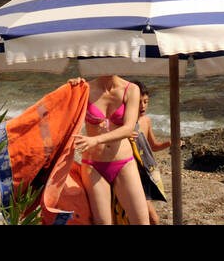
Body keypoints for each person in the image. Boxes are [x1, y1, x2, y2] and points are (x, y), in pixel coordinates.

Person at [71, 74, 149, 225]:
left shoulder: (131, 89)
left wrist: (95, 139)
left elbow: (128, 129)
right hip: (93, 166)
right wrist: (71, 88)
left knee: (141, 221)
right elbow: (63, 113)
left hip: (124, 163)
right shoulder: (84, 89)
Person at [134, 81, 170, 225]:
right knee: (153, 219)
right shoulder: (124, 124)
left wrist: (169, 143)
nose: (143, 106)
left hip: (146, 172)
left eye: (145, 101)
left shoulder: (147, 121)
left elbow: (153, 146)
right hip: (133, 174)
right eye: (138, 102)